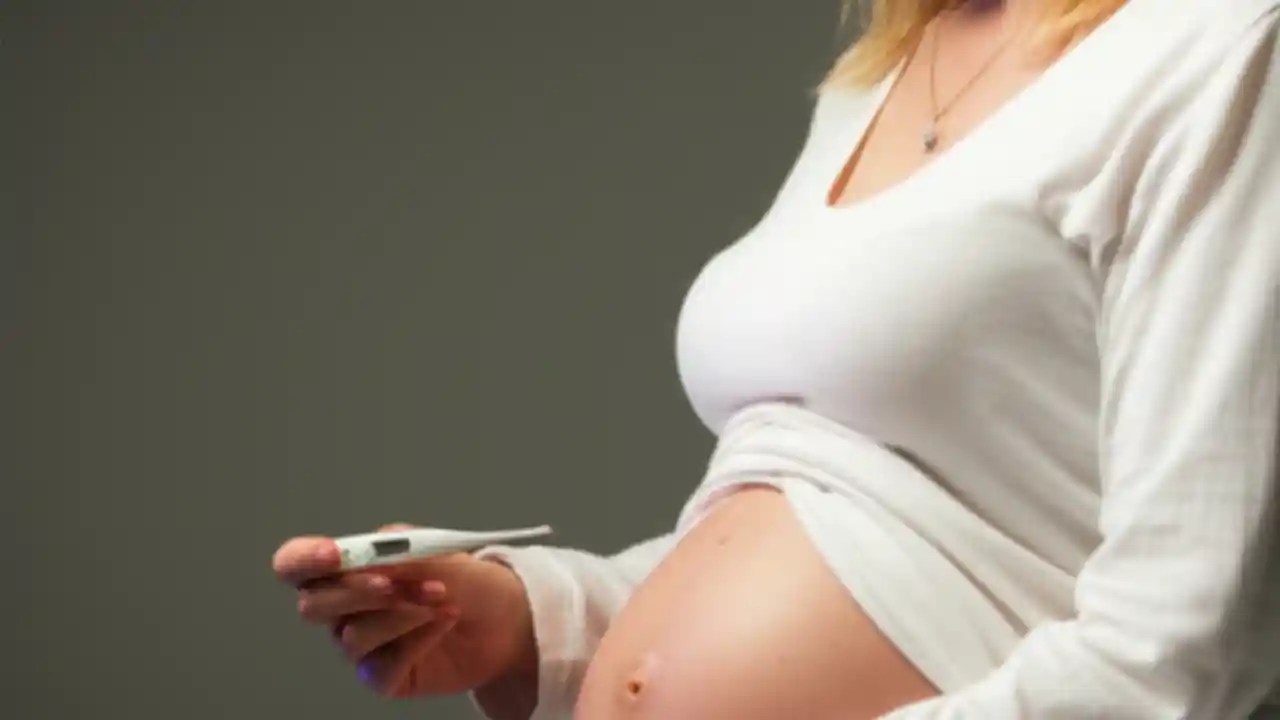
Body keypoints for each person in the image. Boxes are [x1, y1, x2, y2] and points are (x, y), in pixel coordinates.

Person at [272, 0, 1280, 717]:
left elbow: (1183, 655)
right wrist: (523, 619)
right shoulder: (888, 68)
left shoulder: (1220, 48)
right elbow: (848, 518)